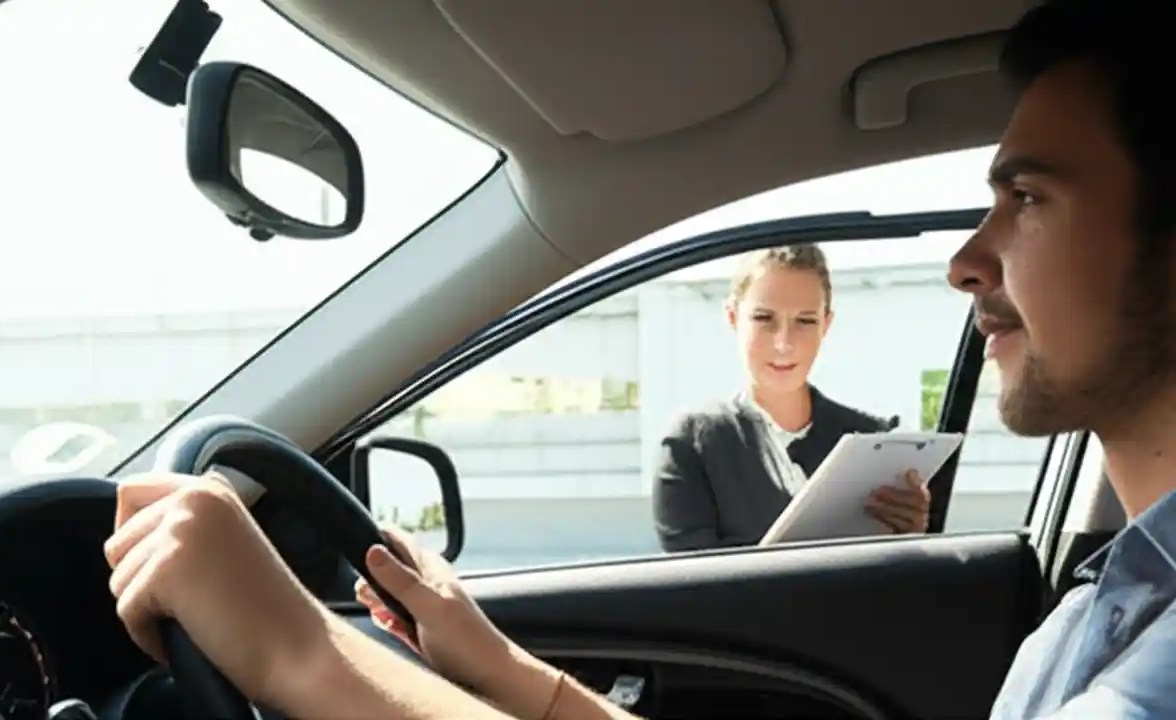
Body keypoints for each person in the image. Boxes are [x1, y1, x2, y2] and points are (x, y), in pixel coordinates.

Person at [104, 0, 1176, 716]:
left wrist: (299, 654)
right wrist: (502, 668)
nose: (964, 261)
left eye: (1027, 199)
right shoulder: (1107, 601)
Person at [651, 243, 927, 552]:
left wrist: (909, 537)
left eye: (805, 321)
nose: (783, 343)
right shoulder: (694, 442)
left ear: (826, 324)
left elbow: (892, 571)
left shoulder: (873, 442)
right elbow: (692, 574)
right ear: (732, 318)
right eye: (763, 318)